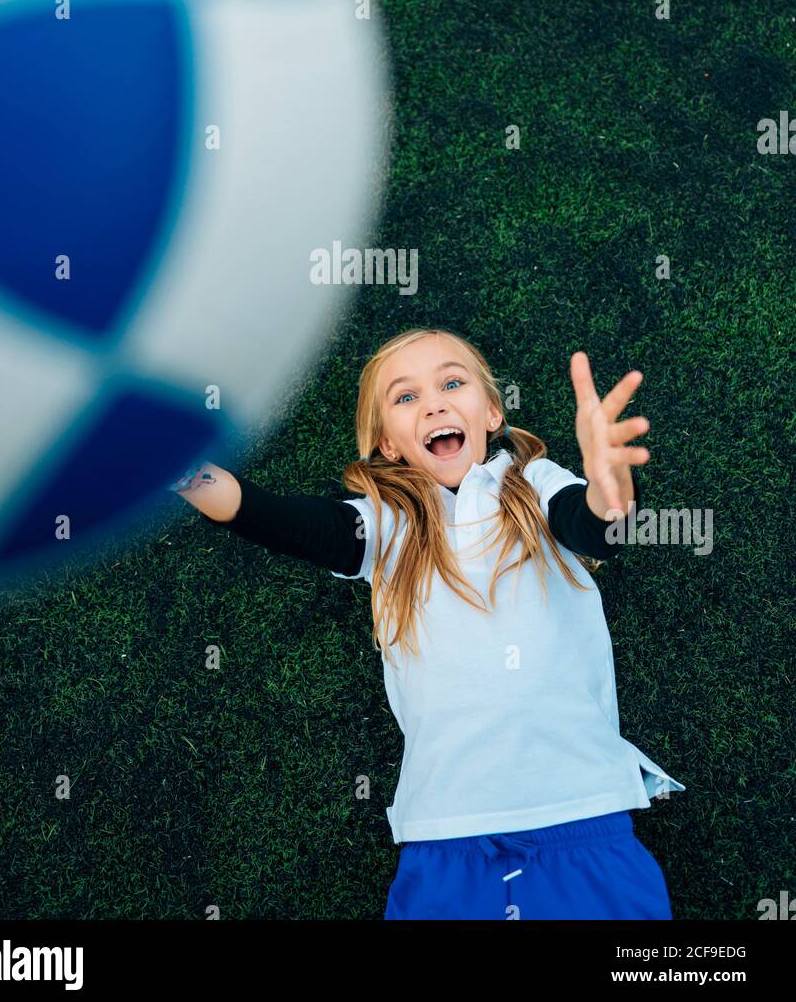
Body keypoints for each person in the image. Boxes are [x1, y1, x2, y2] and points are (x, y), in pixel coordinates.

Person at [170, 326, 685, 919]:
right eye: (406, 397)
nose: (435, 402)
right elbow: (266, 516)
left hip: (583, 815)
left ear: (491, 412)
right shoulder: (386, 525)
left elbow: (598, 525)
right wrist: (178, 470)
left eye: (452, 382)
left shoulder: (535, 486)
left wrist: (608, 478)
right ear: (388, 444)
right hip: (446, 833)